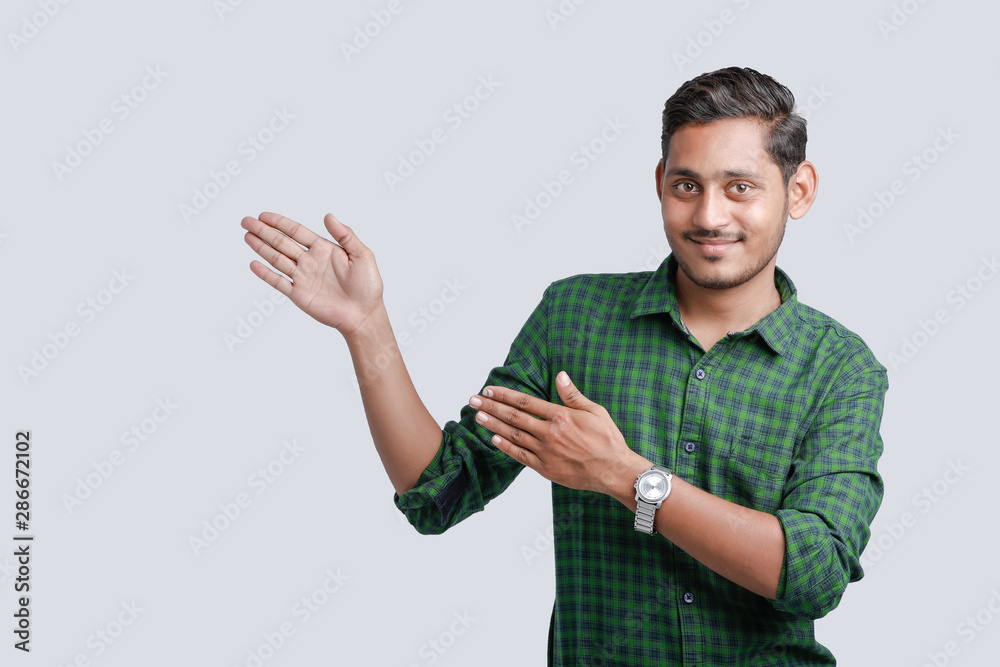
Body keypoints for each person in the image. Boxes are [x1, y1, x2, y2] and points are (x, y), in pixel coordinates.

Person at [240, 66, 888, 665]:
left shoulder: (840, 367)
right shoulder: (574, 317)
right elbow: (438, 489)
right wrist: (367, 326)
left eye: (739, 187)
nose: (709, 215)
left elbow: (813, 572)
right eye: (687, 185)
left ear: (797, 189)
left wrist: (624, 475)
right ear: (660, 183)